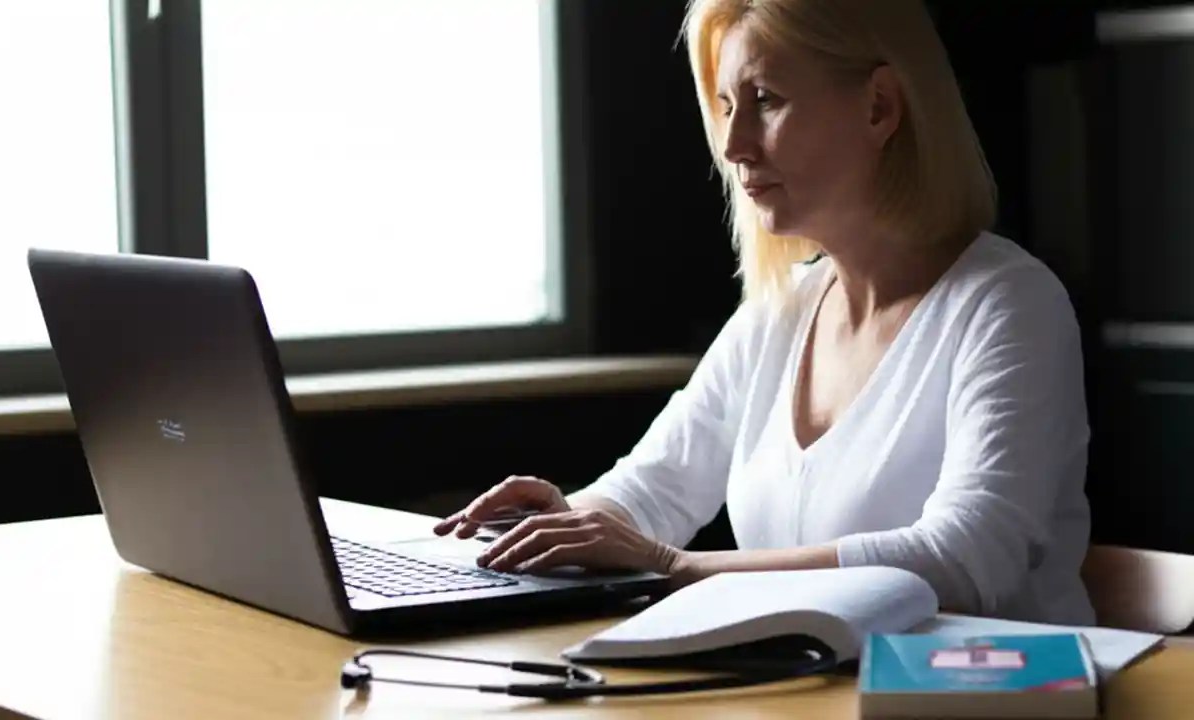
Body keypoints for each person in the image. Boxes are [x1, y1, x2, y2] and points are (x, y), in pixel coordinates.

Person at [434, 0, 1094, 625]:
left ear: (880, 107)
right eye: (725, 107)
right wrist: (569, 522)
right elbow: (656, 487)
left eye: (766, 101)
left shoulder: (1008, 304)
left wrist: (676, 567)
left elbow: (967, 557)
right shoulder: (781, 311)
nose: (734, 144)